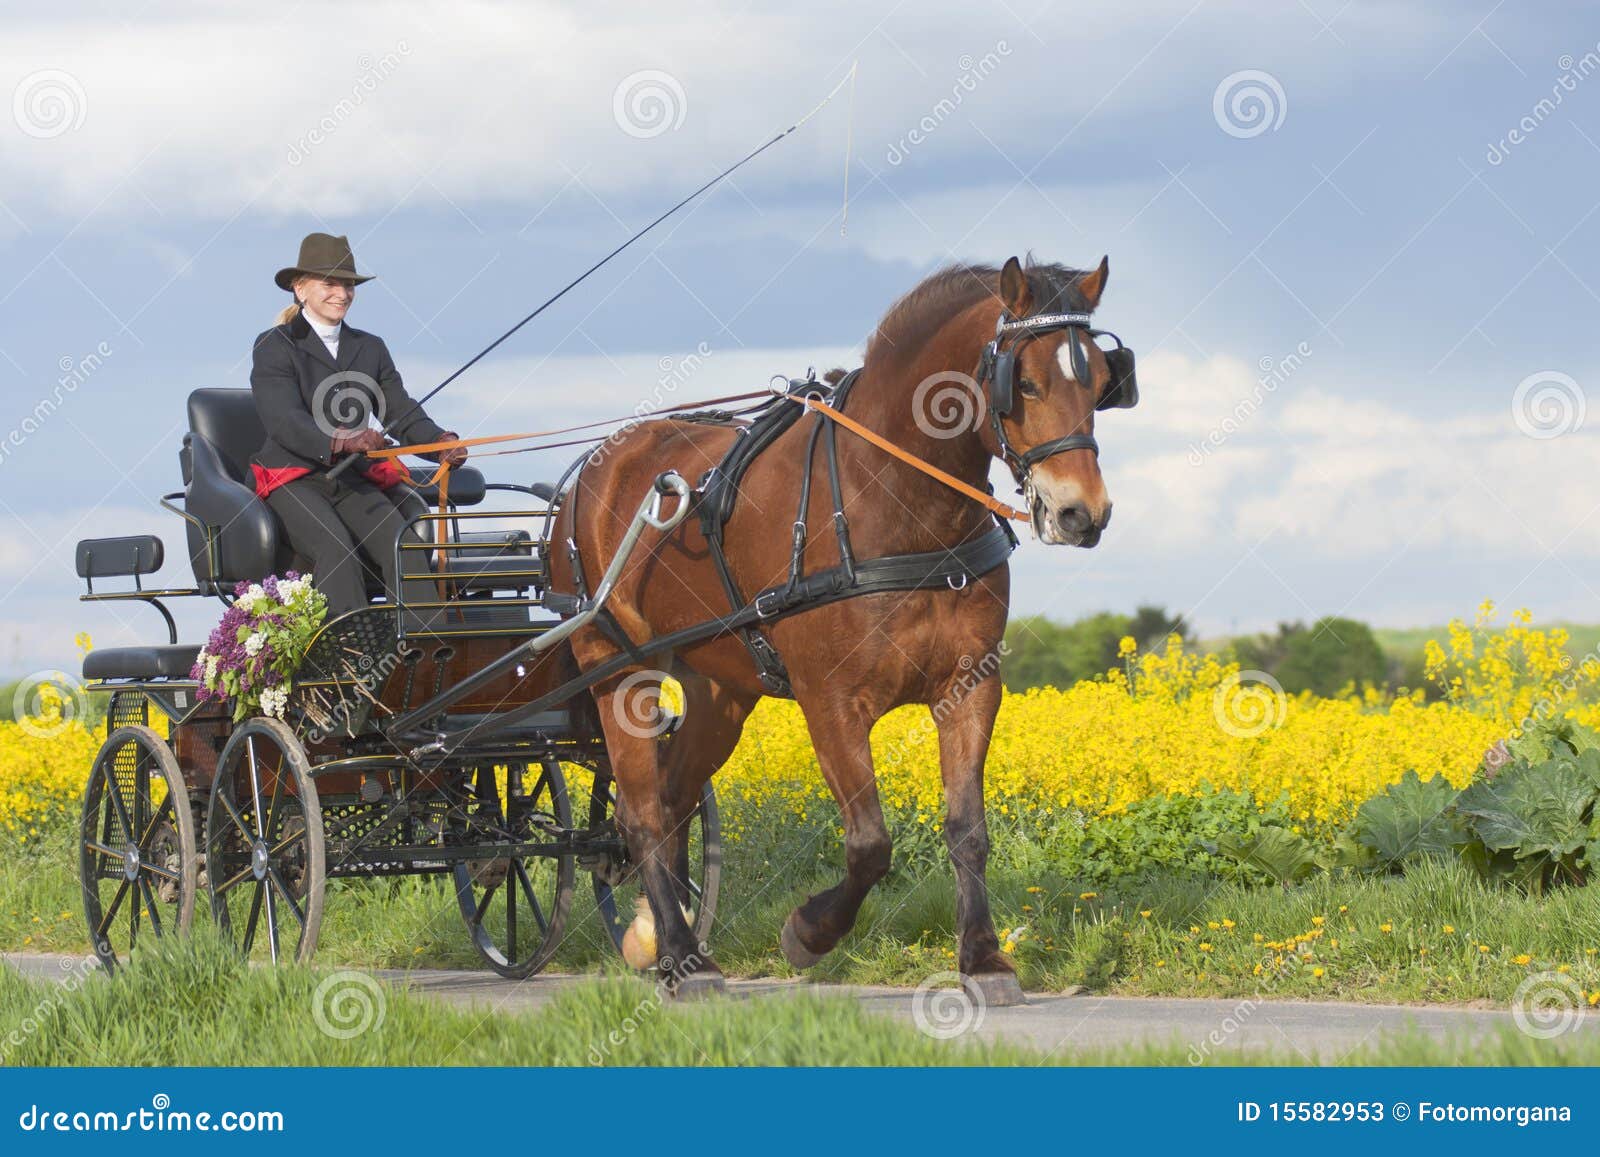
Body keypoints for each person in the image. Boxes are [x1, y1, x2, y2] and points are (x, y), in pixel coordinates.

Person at [248, 232, 468, 617]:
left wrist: (438, 441)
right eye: (330, 283)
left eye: (348, 285)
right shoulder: (274, 346)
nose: (342, 293)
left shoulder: (370, 347)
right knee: (335, 547)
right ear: (300, 289)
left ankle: (429, 649)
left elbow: (399, 409)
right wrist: (344, 441)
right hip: (294, 477)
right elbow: (285, 420)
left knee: (401, 545)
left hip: (350, 477)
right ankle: (351, 657)